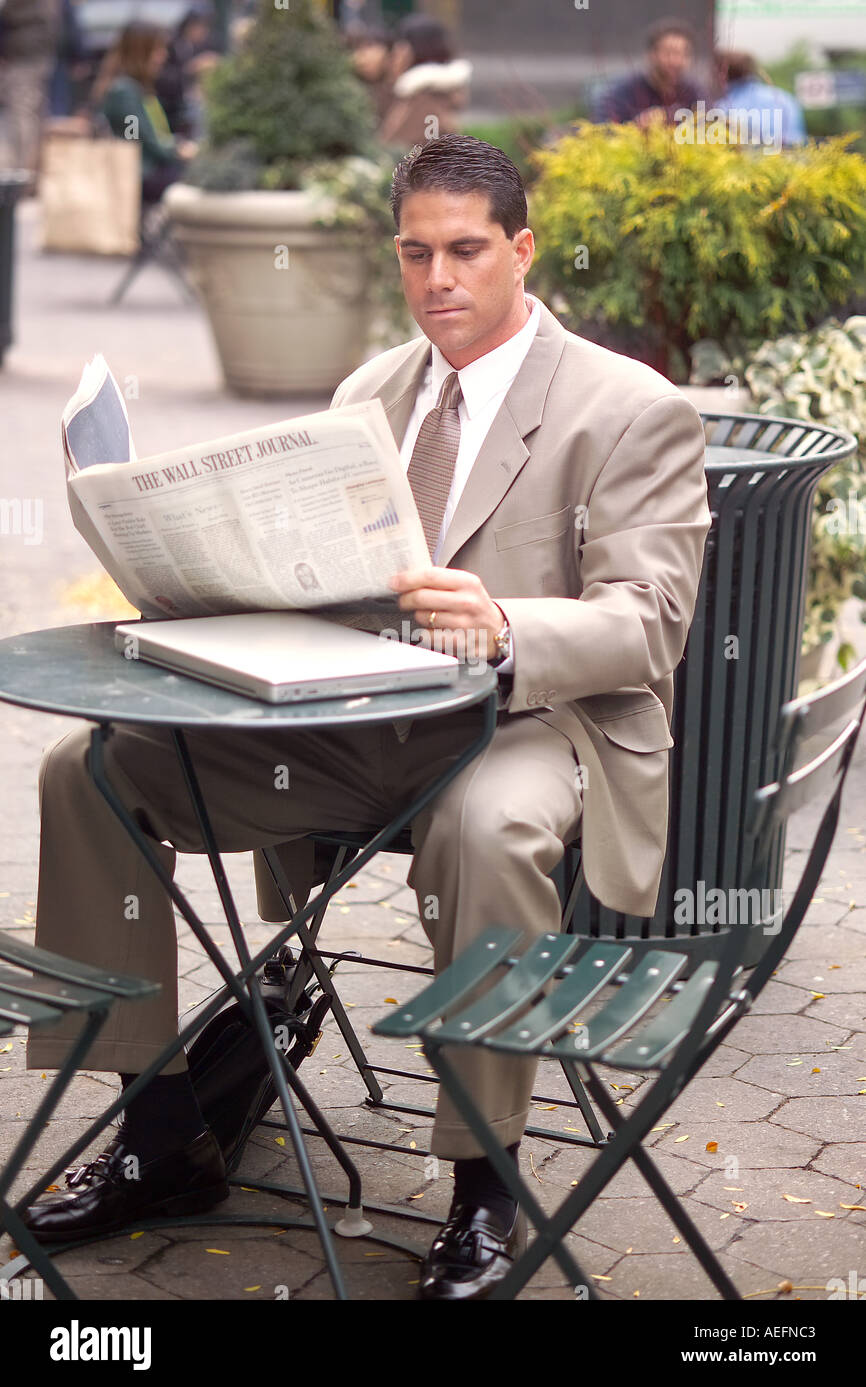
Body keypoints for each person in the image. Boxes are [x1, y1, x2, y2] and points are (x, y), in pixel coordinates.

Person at [21, 134, 711, 1301]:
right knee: (89, 768)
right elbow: (317, 573)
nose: (437, 278)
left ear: (521, 250)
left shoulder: (627, 408)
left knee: (484, 827)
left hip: (533, 725)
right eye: (413, 253)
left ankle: (483, 1185)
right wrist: (199, 567)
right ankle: (160, 1126)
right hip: (351, 726)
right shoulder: (365, 396)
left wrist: (504, 626)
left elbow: (648, 626)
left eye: (464, 251)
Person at [97, 21, 197, 204]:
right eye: (157, 50)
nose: (163, 56)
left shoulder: (137, 89)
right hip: (141, 175)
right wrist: (179, 149)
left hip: (148, 170)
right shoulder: (124, 92)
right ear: (141, 53)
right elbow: (134, 140)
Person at [379, 15, 471, 148]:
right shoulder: (420, 92)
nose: (394, 54)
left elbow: (397, 152)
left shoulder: (424, 99)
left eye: (400, 46)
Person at [593, 17, 702, 127]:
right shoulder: (623, 93)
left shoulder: (694, 92)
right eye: (668, 53)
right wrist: (636, 126)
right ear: (651, 54)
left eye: (683, 54)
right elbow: (602, 129)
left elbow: (710, 126)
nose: (675, 61)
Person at [0, 0, 60, 192]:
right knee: (29, 119)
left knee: (24, 119)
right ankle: (25, 176)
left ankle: (21, 178)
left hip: (25, 62)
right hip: (33, 60)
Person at [714, 49, 806, 149]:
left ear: (723, 73)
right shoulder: (783, 97)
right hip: (791, 158)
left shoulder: (724, 103)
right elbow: (796, 139)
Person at [155, 4, 220, 139]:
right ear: (189, 25)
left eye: (205, 27)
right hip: (171, 107)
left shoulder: (205, 44)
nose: (203, 31)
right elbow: (162, 79)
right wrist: (190, 69)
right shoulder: (172, 44)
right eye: (199, 26)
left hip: (196, 102)